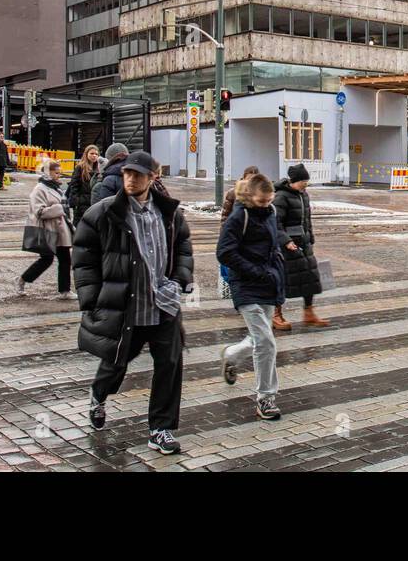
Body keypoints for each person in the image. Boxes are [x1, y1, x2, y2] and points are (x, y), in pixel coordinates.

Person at [73, 150, 194, 455]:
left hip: (163, 304)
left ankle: (160, 429)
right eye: (127, 173)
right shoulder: (104, 212)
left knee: (169, 364)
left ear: (153, 178)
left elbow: (183, 247)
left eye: (138, 175)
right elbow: (84, 255)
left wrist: (179, 281)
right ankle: (98, 395)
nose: (130, 179)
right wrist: (91, 298)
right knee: (116, 363)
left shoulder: (169, 213)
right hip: (127, 306)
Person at [216, 171, 285, 420]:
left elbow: (273, 243)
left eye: (269, 201)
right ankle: (266, 398)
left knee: (260, 337)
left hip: (267, 283)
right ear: (250, 196)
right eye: (262, 201)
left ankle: (231, 355)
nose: (266, 205)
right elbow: (224, 252)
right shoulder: (239, 215)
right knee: (266, 341)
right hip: (245, 285)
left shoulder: (271, 212)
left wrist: (277, 272)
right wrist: (253, 270)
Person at [271, 164, 328, 331]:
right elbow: (276, 222)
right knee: (283, 280)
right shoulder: (281, 196)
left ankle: (309, 312)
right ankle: (276, 314)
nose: (305, 184)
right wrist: (286, 241)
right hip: (287, 246)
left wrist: (310, 237)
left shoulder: (304, 195)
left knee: (311, 276)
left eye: (306, 181)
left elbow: (307, 219)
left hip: (304, 243)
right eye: (303, 181)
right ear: (294, 181)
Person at [18, 159, 75, 297]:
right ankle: (22, 279)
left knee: (65, 259)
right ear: (47, 173)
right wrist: (60, 208)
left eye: (59, 172)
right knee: (47, 259)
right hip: (48, 230)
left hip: (60, 229)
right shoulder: (39, 189)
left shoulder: (55, 187)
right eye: (56, 173)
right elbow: (39, 211)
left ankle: (65, 291)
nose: (58, 175)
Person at [219, 166, 261, 300]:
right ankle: (239, 295)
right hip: (236, 236)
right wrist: (224, 235)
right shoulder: (233, 193)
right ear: (243, 178)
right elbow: (225, 216)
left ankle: (247, 295)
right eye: (248, 179)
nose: (250, 183)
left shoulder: (259, 193)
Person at [66, 145, 101, 226]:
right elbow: (74, 185)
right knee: (79, 227)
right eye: (92, 153)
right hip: (81, 205)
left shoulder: (98, 169)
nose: (94, 156)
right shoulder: (80, 167)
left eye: (96, 154)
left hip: (92, 203)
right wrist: (77, 201)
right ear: (86, 154)